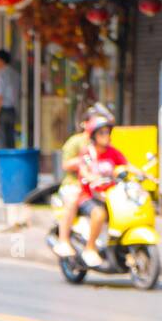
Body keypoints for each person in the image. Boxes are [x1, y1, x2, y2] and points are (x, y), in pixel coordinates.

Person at [53, 113, 128, 266]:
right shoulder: (80, 145)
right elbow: (71, 165)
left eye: (107, 131)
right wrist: (86, 169)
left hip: (101, 189)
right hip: (75, 184)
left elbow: (123, 164)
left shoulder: (108, 149)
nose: (105, 135)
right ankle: (64, 240)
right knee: (74, 199)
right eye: (101, 131)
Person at [0, 50, 18, 149]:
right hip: (12, 111)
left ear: (1, 61)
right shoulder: (15, 74)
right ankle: (11, 163)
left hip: (2, 111)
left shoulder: (0, 75)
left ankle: (3, 164)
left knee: (1, 143)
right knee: (10, 142)